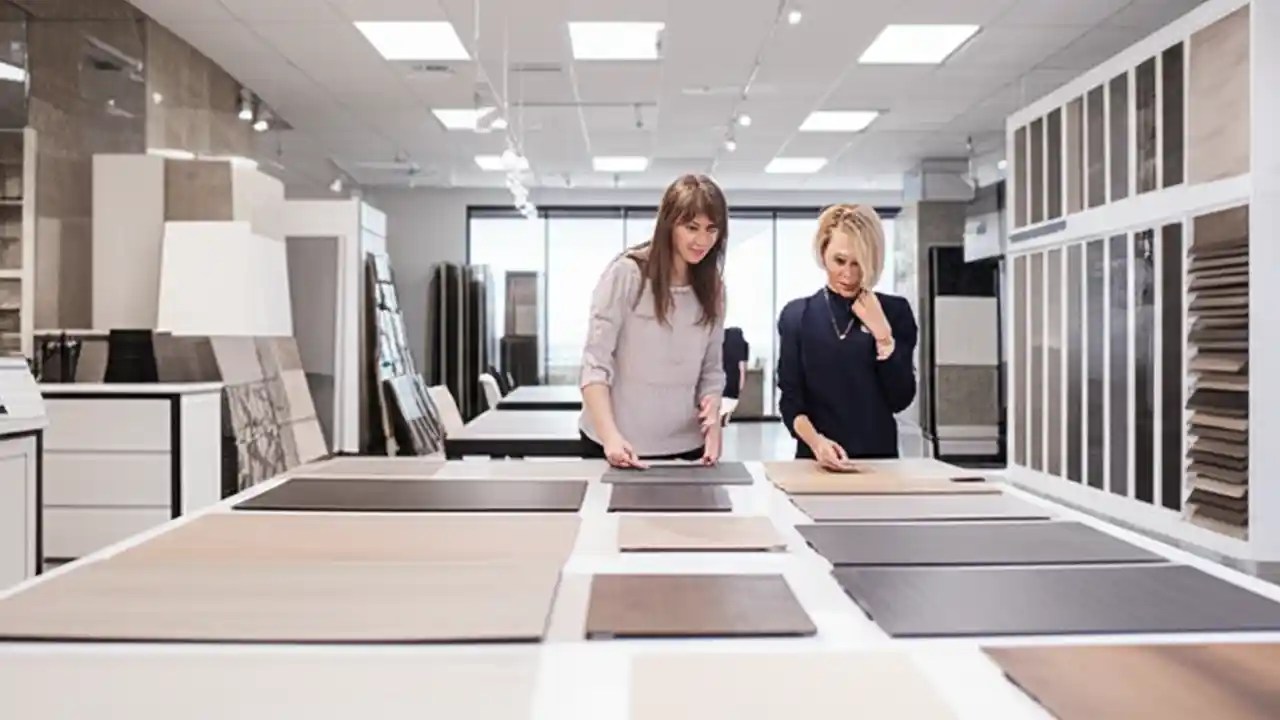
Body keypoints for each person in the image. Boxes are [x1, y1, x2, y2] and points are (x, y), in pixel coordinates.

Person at [579, 174, 728, 468]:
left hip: (686, 447)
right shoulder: (627, 274)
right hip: (616, 444)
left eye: (712, 229)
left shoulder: (713, 288)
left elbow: (711, 369)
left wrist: (713, 422)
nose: (702, 240)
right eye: (691, 227)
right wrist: (610, 437)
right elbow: (594, 364)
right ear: (669, 224)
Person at [776, 204, 917, 468]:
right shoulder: (797, 316)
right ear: (822, 252)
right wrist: (817, 443)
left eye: (859, 263)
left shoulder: (895, 312)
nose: (849, 274)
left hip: (880, 466)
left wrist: (883, 336)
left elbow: (901, 398)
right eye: (839, 261)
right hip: (815, 462)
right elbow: (791, 401)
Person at [720, 327, 749, 425]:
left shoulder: (721, 345)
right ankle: (724, 419)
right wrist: (741, 385)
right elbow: (742, 368)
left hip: (721, 381)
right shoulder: (742, 346)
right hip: (733, 381)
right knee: (730, 404)